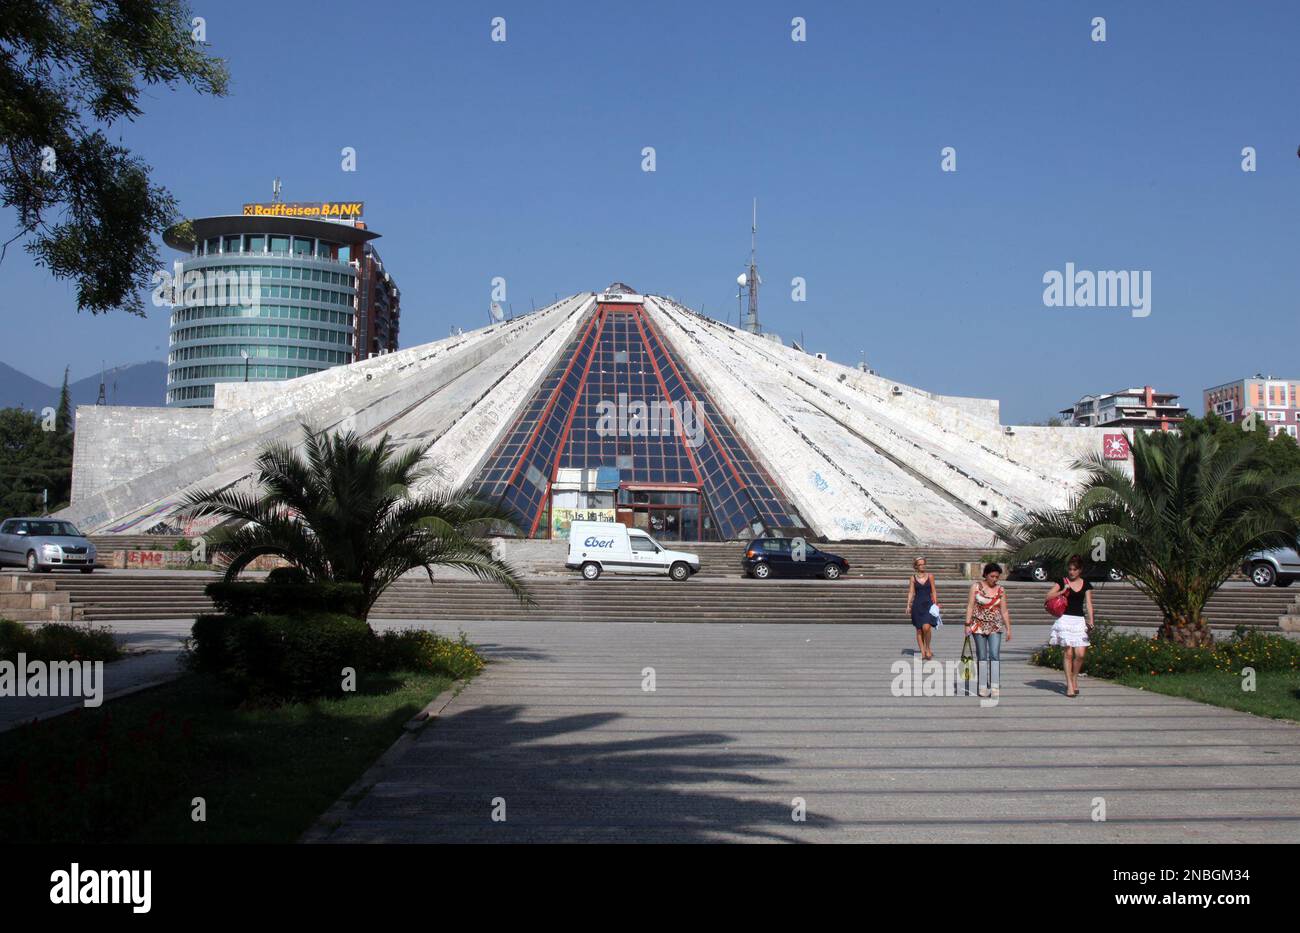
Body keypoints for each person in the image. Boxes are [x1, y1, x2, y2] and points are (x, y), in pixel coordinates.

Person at [1046, 555, 1094, 698]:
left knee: (1080, 654)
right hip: (1065, 620)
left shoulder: (1086, 584)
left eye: (1075, 569)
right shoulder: (1062, 581)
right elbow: (1048, 597)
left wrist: (1091, 620)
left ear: (1080, 570)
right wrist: (1062, 590)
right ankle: (1069, 685)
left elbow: (1089, 604)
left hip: (1079, 621)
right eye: (1070, 569)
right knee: (1068, 654)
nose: (1071, 572)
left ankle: (1074, 677)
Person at [964, 562, 1012, 698]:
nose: (995, 579)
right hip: (978, 625)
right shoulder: (976, 587)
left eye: (997, 577)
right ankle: (983, 685)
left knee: (995, 655)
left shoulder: (1001, 590)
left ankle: (995, 685)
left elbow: (1004, 610)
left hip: (995, 626)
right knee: (982, 656)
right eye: (992, 576)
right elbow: (970, 606)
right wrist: (967, 624)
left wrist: (1008, 629)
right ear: (985, 575)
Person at [906, 557, 940, 661]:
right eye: (920, 564)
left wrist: (936, 603)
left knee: (926, 627)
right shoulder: (912, 578)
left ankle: (928, 647)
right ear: (916, 566)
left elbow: (933, 591)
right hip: (917, 605)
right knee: (919, 630)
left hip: (928, 605)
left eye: (923, 564)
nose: (922, 566)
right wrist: (908, 604)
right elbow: (911, 592)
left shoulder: (930, 576)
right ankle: (922, 651)